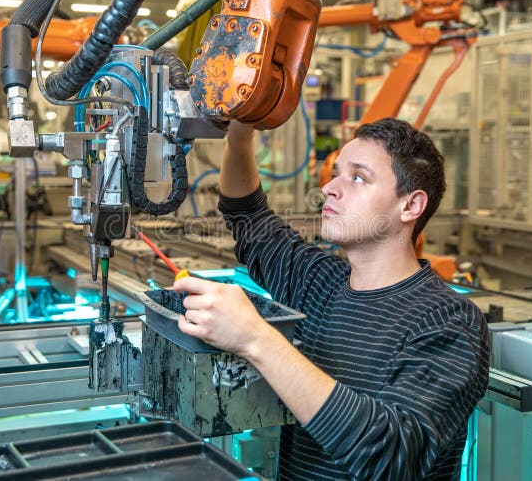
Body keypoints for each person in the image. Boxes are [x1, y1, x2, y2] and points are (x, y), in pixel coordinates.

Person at [174, 117, 490, 480]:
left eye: (358, 178)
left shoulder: (450, 321)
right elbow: (247, 215)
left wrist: (254, 338)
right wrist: (242, 130)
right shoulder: (320, 283)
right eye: (336, 173)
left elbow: (392, 456)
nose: (329, 188)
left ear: (410, 205)